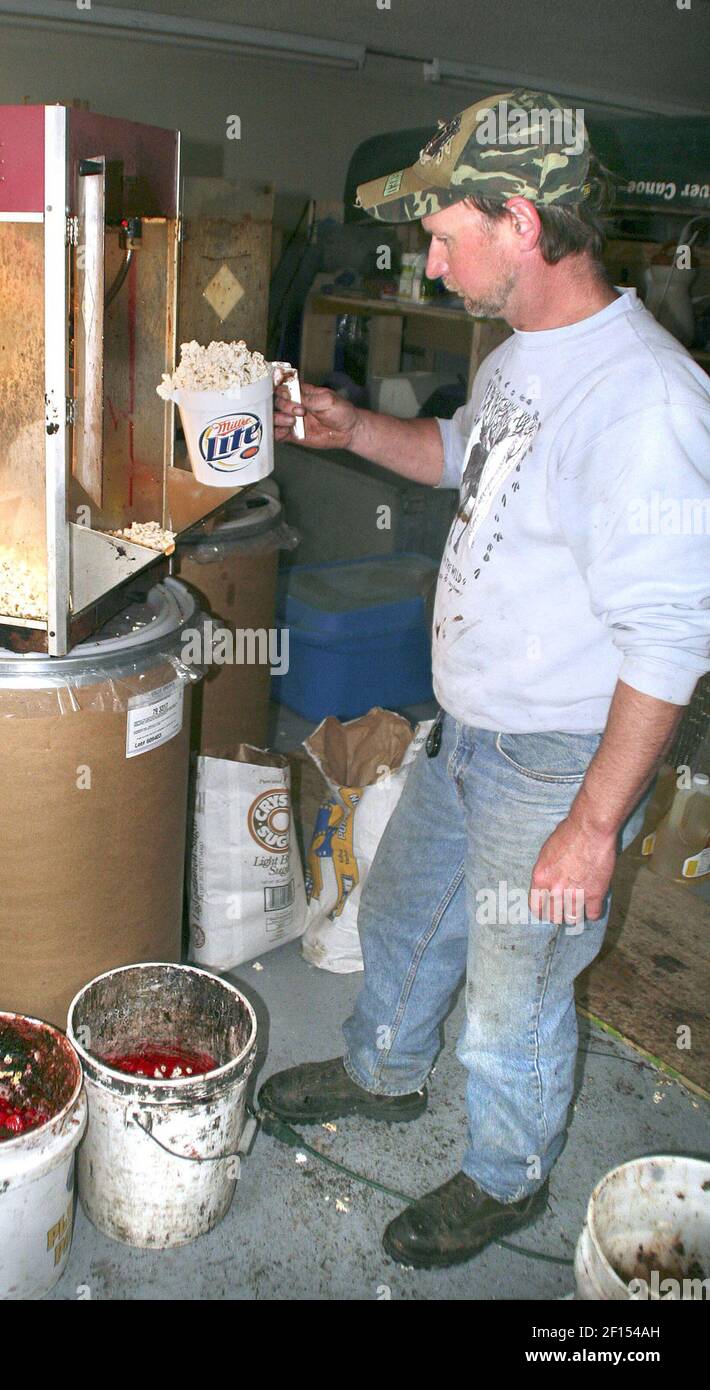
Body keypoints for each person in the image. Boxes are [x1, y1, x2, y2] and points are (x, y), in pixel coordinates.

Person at [263, 89, 710, 1269]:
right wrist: (346, 428)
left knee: (515, 998)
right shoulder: (522, 353)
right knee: (405, 917)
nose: (428, 251)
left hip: (554, 759)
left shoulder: (644, 403)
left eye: (444, 227)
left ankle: (506, 1178)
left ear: (518, 219)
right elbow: (463, 455)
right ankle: (382, 1074)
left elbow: (669, 640)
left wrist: (591, 825)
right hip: (466, 734)